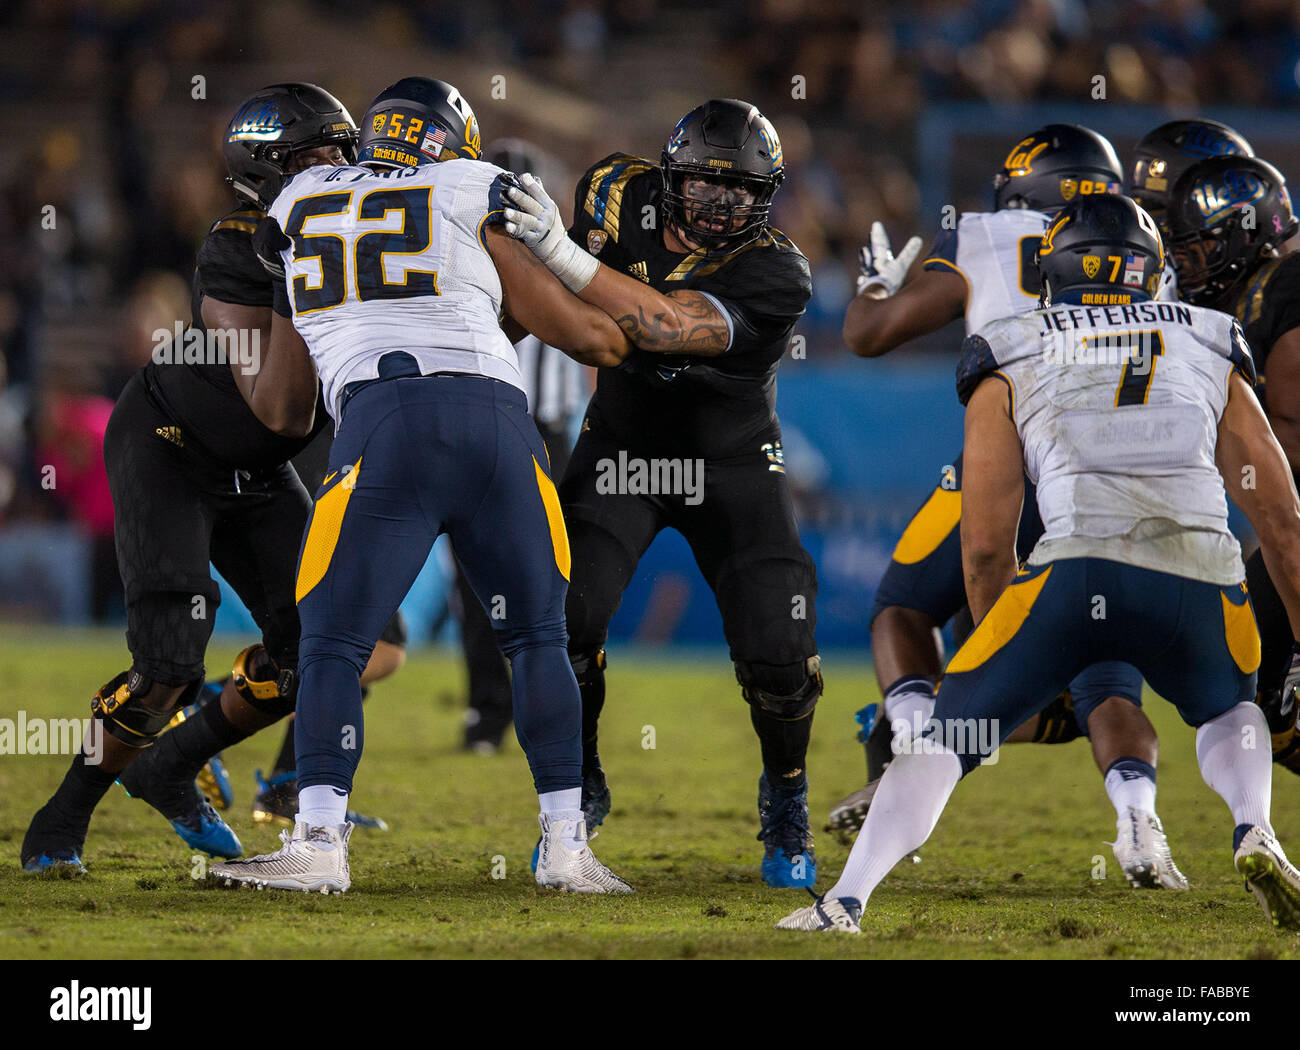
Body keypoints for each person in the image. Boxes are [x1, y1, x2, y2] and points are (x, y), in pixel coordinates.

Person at [779, 193, 1300, 934]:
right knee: (1231, 706)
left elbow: (987, 538)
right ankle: (1255, 829)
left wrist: (1004, 654)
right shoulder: (1211, 338)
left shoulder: (1012, 343)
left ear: (1051, 270)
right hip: (1201, 576)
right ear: (1150, 272)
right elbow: (1279, 515)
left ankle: (845, 903)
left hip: (1075, 570)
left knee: (946, 739)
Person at [209, 76, 637, 895]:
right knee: (540, 639)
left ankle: (321, 843)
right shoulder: (475, 184)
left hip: (383, 424)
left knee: (334, 641)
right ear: (452, 141)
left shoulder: (296, 197)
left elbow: (286, 398)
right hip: (498, 420)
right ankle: (565, 848)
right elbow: (585, 336)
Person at [832, 125, 1182, 889]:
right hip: (1125, 472)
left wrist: (871, 287)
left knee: (902, 607)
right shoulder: (1145, 251)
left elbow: (869, 335)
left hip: (1011, 453)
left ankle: (922, 743)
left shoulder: (985, 233)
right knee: (1107, 678)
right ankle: (1140, 824)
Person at [20, 83, 358, 873]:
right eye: (311, 158)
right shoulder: (239, 246)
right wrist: (294, 278)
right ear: (263, 175)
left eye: (342, 151)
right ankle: (62, 815)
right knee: (170, 660)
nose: (336, 170)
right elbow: (278, 408)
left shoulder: (358, 236)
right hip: (172, 445)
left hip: (257, 468)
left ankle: (173, 764)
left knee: (324, 647)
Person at [499, 99, 821, 887]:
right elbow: (550, 301)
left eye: (743, 192)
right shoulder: (614, 189)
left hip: (733, 463)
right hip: (624, 451)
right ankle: (577, 790)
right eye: (709, 186)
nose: (724, 205)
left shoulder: (777, 272)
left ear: (767, 197)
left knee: (779, 653)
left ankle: (786, 797)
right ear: (672, 177)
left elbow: (669, 327)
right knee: (563, 621)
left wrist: (563, 261)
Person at [1163, 153, 1300, 774]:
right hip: (1288, 525)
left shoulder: (1286, 289)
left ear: (1248, 231)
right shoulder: (1236, 308)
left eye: (1202, 247)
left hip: (1294, 524)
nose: (1189, 264)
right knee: (1257, 698)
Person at [454, 138, 589, 755]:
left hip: (546, 430)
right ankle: (489, 710)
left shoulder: (568, 252)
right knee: (479, 579)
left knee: (553, 578)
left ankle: (559, 712)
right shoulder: (460, 244)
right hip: (486, 422)